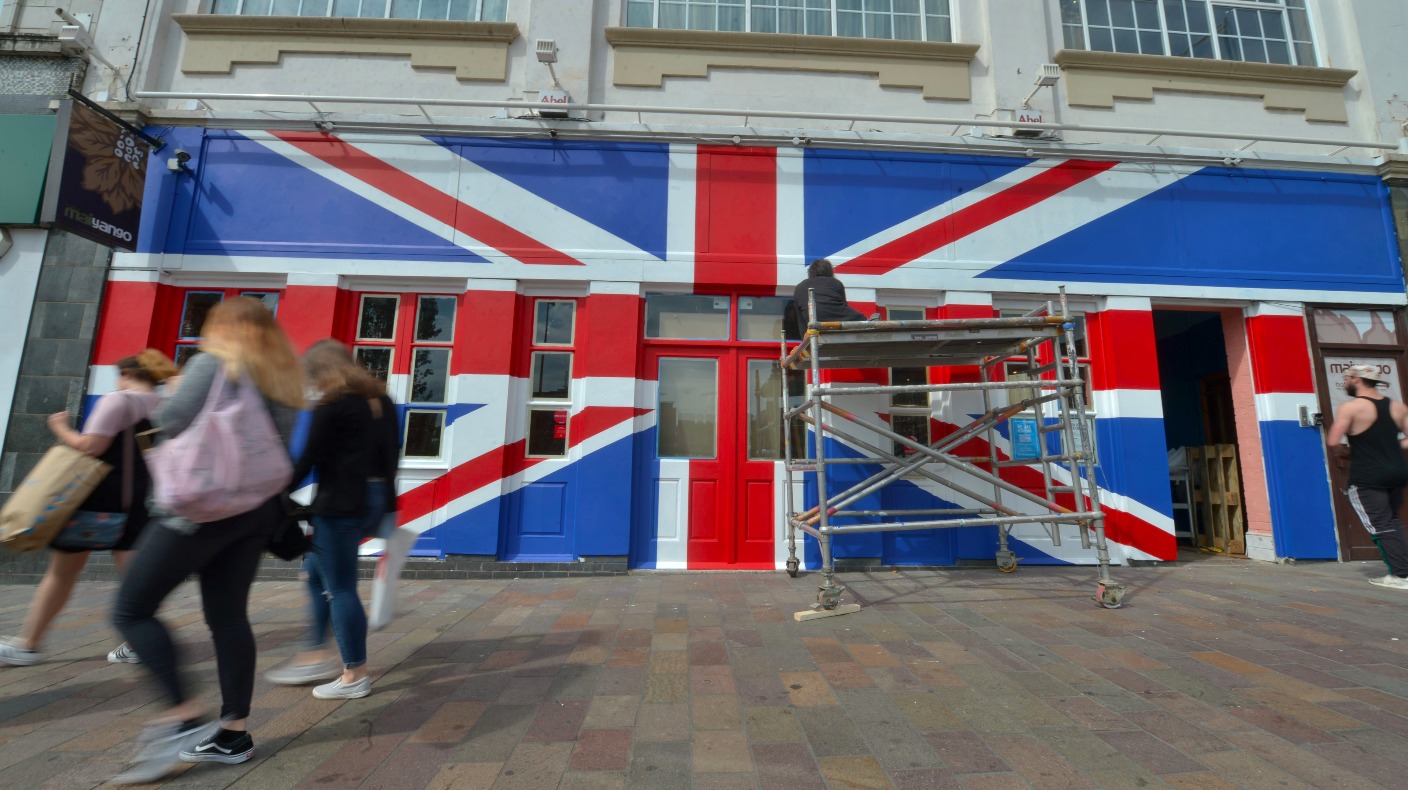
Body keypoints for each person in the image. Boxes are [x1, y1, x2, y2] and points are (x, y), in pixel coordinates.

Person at [108, 297, 303, 784]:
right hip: (253, 513)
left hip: (198, 508)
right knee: (229, 618)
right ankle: (233, 732)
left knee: (131, 610)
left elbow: (172, 421)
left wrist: (163, 392)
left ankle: (181, 714)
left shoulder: (212, 364)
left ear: (222, 329)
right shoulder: (283, 378)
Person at [0, 351, 176, 667]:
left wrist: (60, 427)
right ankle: (139, 643)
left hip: (97, 499)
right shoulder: (164, 404)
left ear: (126, 374)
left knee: (62, 573)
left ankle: (28, 644)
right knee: (136, 579)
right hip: (139, 501)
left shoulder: (118, 401)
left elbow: (91, 446)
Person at [265, 339, 399, 700]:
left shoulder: (330, 406)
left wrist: (273, 492)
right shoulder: (380, 401)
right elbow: (392, 454)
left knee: (341, 588)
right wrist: (388, 505)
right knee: (314, 573)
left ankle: (354, 674)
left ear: (319, 372)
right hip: (373, 499)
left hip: (339, 504)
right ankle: (315, 652)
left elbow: (305, 461)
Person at [1326, 364, 1408, 589]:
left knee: (1380, 525)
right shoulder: (1397, 406)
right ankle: (1403, 570)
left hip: (1368, 476)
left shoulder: (1351, 408)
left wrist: (1343, 453)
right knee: (1392, 521)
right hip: (1397, 472)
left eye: (1346, 378)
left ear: (1357, 380)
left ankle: (1401, 575)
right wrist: (1390, 447)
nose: (1345, 383)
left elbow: (1333, 441)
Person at [790, 258, 871, 337]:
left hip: (814, 326)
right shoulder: (836, 283)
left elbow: (801, 322)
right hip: (837, 319)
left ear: (810, 272)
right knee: (863, 320)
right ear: (830, 271)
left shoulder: (799, 287)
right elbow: (844, 305)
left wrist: (805, 338)